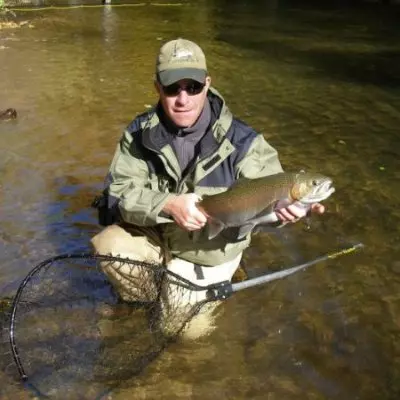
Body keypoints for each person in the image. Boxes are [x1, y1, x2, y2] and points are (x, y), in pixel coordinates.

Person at [91, 38, 324, 338]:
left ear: (207, 83)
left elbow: (273, 190)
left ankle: (215, 279)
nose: (183, 98)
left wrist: (286, 212)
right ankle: (145, 300)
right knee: (107, 247)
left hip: (209, 251)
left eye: (193, 87)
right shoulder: (139, 134)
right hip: (160, 236)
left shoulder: (243, 143)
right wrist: (167, 204)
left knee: (181, 333)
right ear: (157, 88)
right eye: (173, 88)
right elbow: (117, 192)